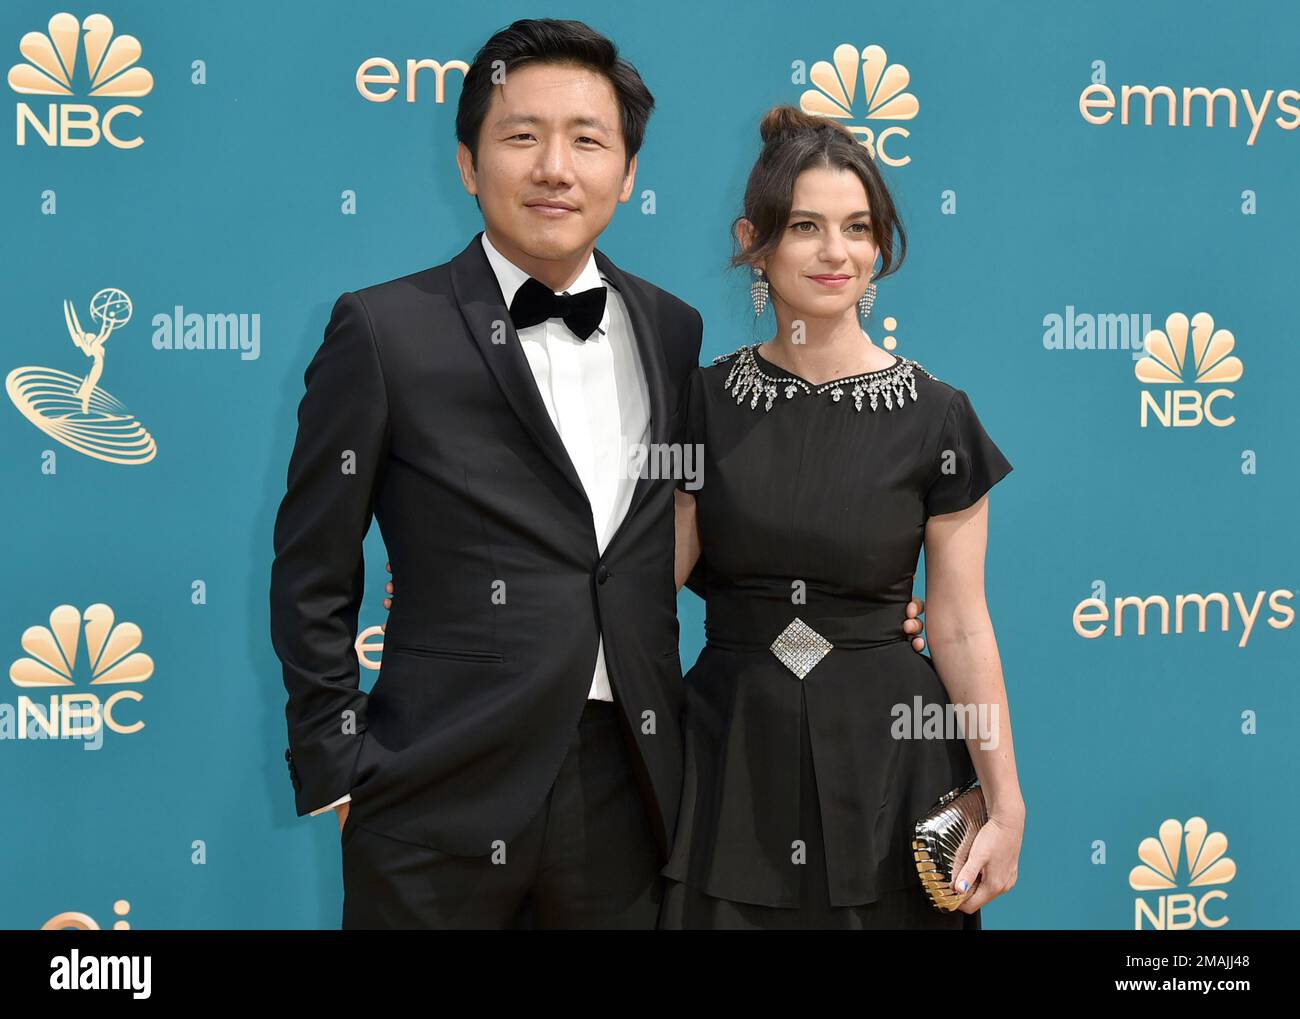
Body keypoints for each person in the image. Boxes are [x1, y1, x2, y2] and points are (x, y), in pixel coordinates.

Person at [270, 19, 929, 930]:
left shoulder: (671, 330)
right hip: (433, 788)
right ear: (468, 163)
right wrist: (341, 771)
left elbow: (692, 532)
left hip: (633, 787)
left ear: (626, 174)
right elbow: (312, 569)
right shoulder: (384, 330)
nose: (555, 168)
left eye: (587, 140)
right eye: (521, 135)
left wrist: (849, 607)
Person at [657, 106, 1026, 929]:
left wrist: (1005, 803)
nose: (836, 252)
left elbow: (961, 624)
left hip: (893, 760)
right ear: (754, 242)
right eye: (806, 227)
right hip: (727, 752)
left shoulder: (939, 417)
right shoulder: (701, 404)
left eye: (857, 228)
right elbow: (646, 591)